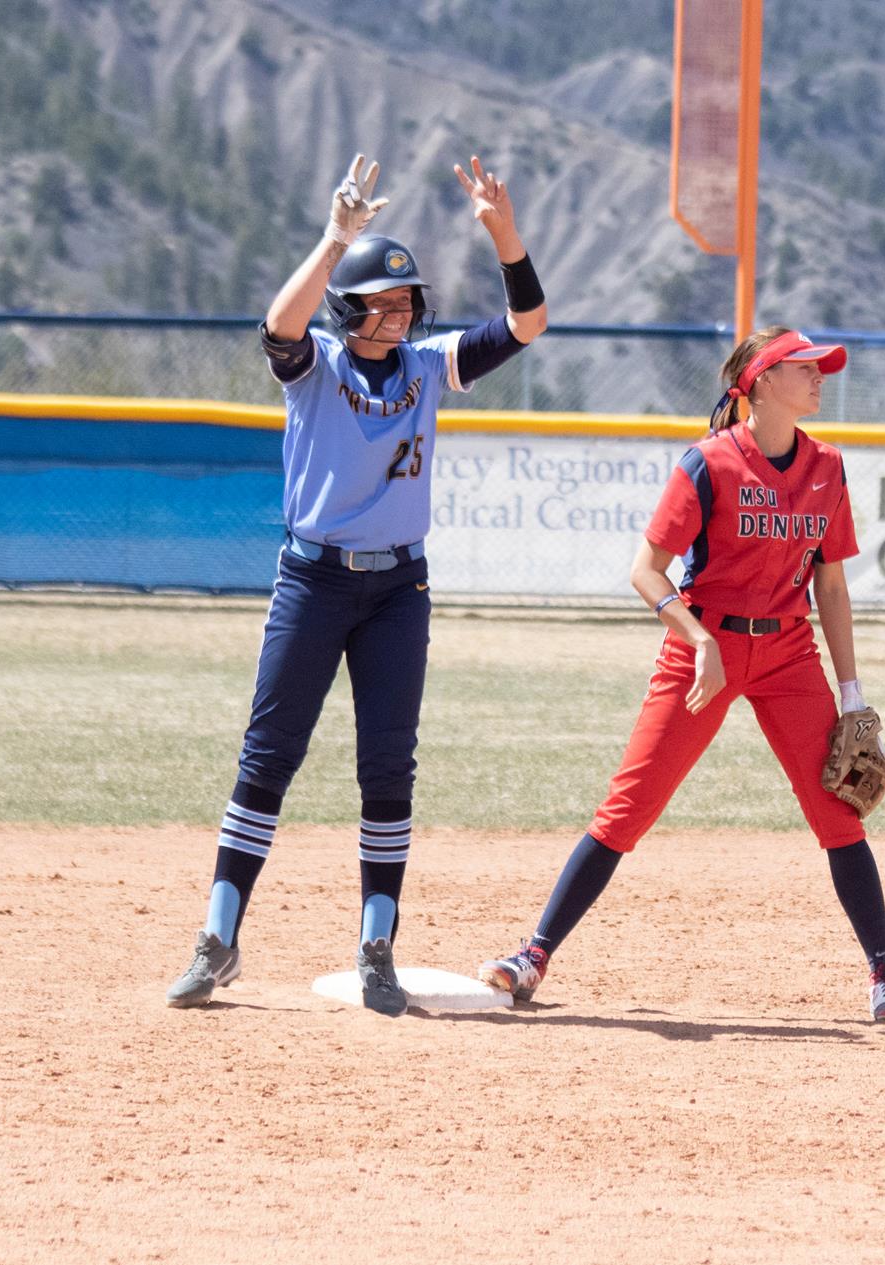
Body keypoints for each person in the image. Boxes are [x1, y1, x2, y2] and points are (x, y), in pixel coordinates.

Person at [167, 153, 548, 1015]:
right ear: (353, 308)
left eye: (409, 302)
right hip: (313, 579)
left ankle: (379, 947)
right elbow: (278, 323)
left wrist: (507, 238)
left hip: (396, 594)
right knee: (268, 759)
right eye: (387, 302)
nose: (403, 313)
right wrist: (335, 241)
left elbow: (527, 324)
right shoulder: (321, 363)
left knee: (387, 768)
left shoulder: (427, 365)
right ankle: (218, 939)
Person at [477, 326, 885, 1022]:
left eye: (821, 368)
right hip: (702, 651)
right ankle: (532, 955)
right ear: (764, 382)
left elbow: (830, 587)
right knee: (627, 809)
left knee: (838, 812)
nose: (821, 378)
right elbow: (645, 570)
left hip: (788, 655)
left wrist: (853, 690)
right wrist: (695, 636)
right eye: (806, 368)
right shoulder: (709, 464)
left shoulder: (828, 467)